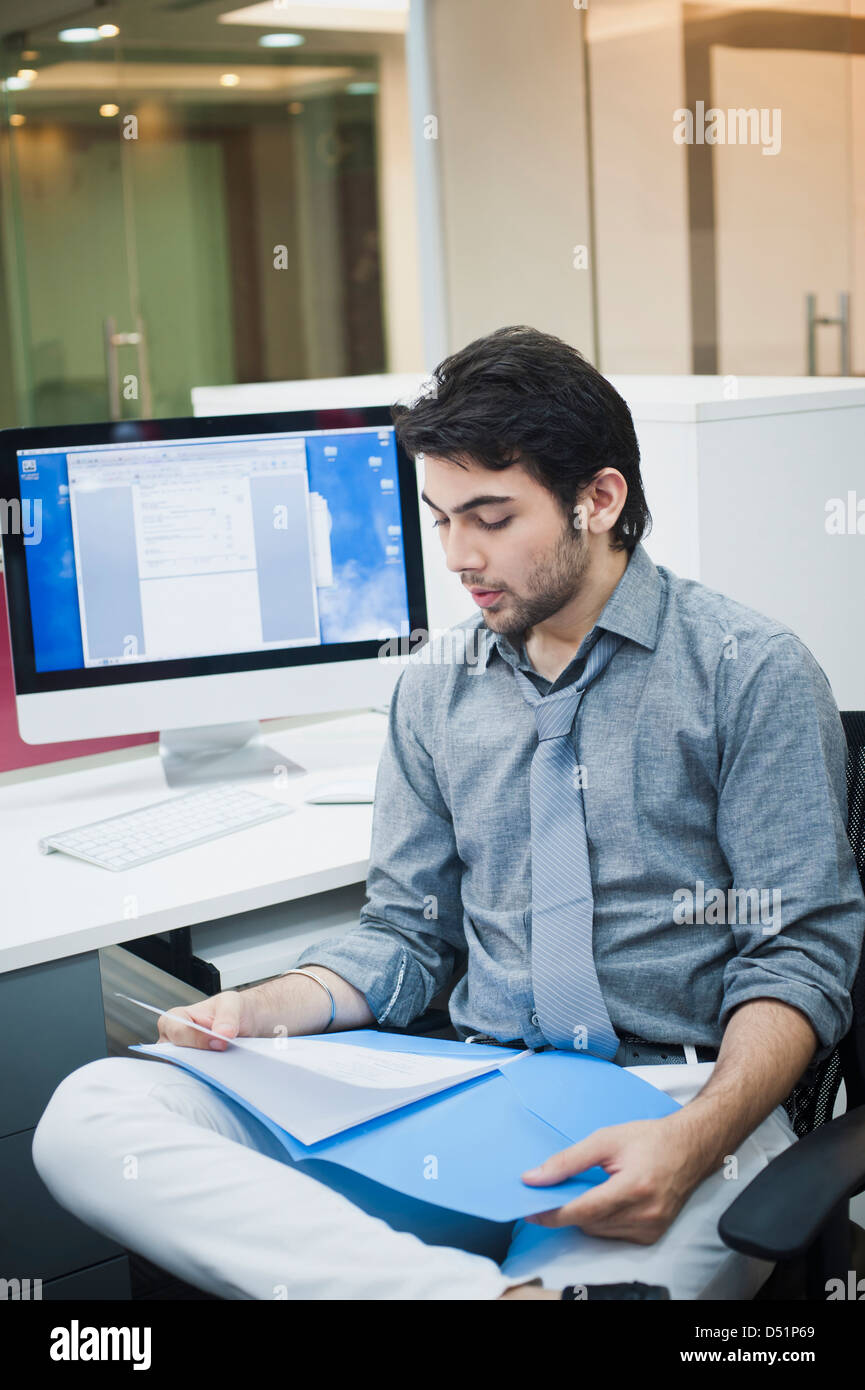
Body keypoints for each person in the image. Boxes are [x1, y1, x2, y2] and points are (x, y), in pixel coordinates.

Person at [33, 326, 865, 1301]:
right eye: (440, 519)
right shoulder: (435, 687)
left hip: (674, 1102)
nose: (460, 557)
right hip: (471, 1095)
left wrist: (693, 1140)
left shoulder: (748, 672)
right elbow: (406, 939)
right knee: (93, 1115)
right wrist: (267, 1007)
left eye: (491, 515)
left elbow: (799, 958)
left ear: (598, 500)